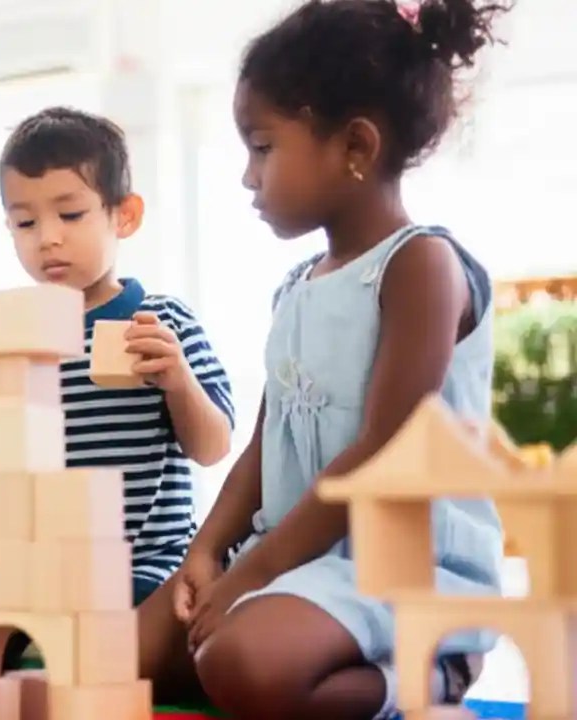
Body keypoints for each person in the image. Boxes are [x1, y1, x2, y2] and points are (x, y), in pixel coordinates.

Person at [150, 0, 513, 718]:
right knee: (128, 656)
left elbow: (382, 450)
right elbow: (263, 444)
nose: (248, 178)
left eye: (262, 147)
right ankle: (272, 649)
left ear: (355, 147)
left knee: (244, 664)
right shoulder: (295, 290)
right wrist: (208, 550)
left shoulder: (421, 268)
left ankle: (432, 676)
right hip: (296, 558)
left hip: (397, 567)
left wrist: (252, 573)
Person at [0, 106, 236, 671]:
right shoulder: (20, 334)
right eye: (25, 224)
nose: (48, 239)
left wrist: (177, 379)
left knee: (119, 641)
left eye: (71, 214)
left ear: (123, 217)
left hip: (147, 567)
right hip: (51, 571)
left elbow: (213, 447)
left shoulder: (162, 321)